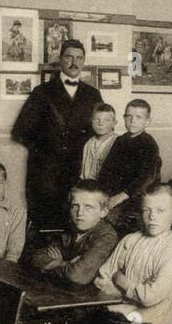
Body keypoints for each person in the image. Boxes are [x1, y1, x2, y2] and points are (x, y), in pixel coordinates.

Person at [11, 39, 103, 229]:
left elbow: (102, 129)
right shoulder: (42, 92)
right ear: (60, 59)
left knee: (76, 223)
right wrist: (47, 150)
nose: (74, 62)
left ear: (84, 61)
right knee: (45, 224)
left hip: (78, 170)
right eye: (69, 57)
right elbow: (20, 131)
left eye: (79, 58)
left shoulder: (93, 94)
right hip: (45, 173)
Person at [90, 184, 172, 324]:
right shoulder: (130, 240)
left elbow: (149, 297)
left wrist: (121, 282)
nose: (152, 216)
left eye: (160, 211)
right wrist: (128, 293)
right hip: (116, 315)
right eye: (146, 210)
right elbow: (102, 278)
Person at [20, 180, 119, 286]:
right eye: (75, 206)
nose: (79, 213)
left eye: (88, 207)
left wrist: (53, 264)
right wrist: (65, 264)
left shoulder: (106, 236)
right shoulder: (72, 230)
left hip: (87, 298)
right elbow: (34, 258)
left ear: (103, 212)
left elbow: (77, 276)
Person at [97, 99, 161, 234]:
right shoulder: (120, 140)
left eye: (138, 117)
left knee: (113, 218)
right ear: (124, 118)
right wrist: (104, 192)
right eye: (129, 116)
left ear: (147, 121)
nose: (132, 120)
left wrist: (122, 195)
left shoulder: (149, 144)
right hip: (116, 193)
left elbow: (146, 178)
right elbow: (107, 170)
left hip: (137, 195)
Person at [79, 102, 118, 181]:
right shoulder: (88, 143)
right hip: (88, 187)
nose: (101, 123)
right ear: (91, 121)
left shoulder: (117, 143)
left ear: (114, 123)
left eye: (107, 120)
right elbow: (84, 174)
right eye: (97, 119)